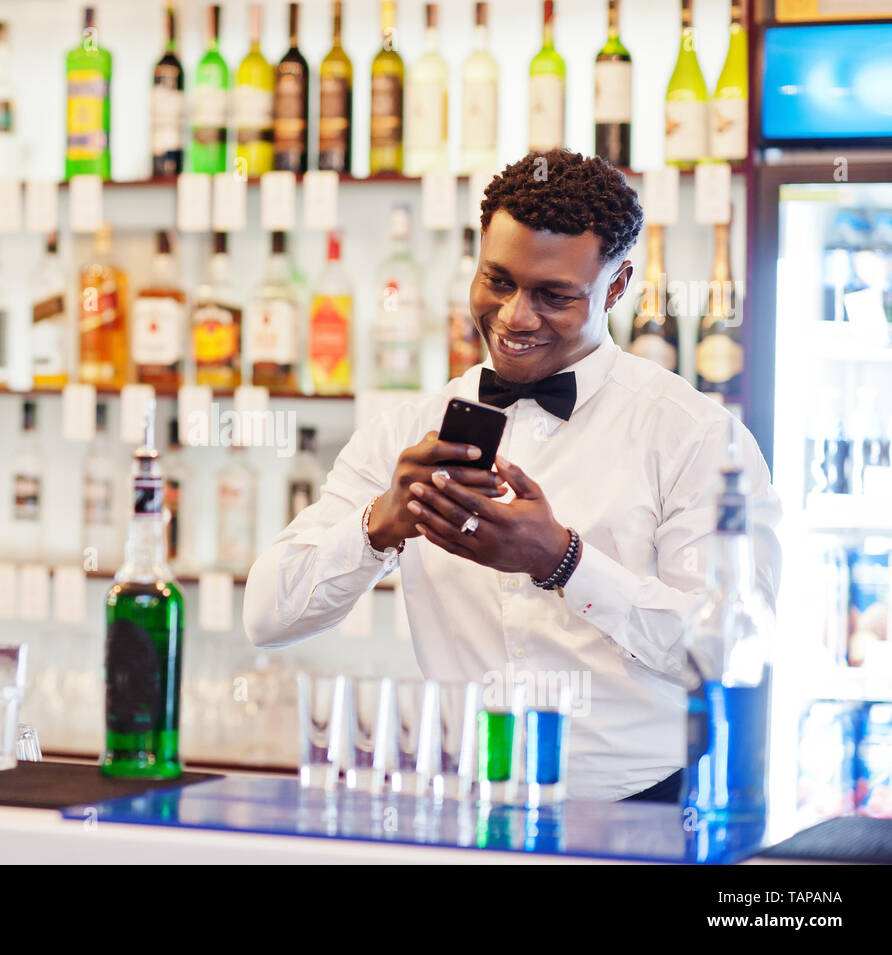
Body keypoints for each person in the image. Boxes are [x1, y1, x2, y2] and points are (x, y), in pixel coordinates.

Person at [242, 149, 782, 803]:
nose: (515, 317)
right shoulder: (407, 427)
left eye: (553, 295)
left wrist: (565, 561)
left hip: (646, 808)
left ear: (616, 287)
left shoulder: (697, 437)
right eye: (498, 281)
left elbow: (727, 651)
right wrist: (377, 526)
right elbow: (268, 613)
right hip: (462, 807)